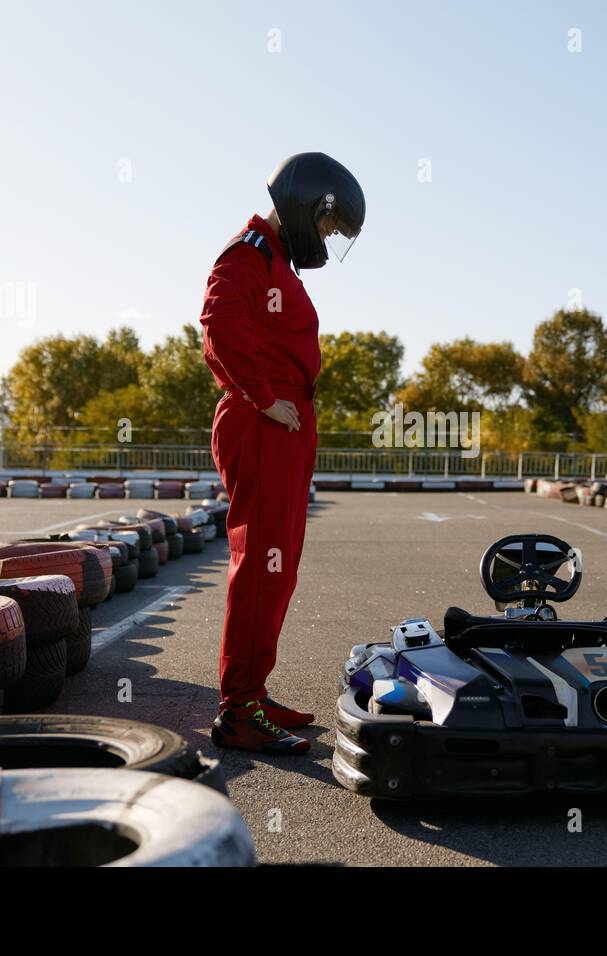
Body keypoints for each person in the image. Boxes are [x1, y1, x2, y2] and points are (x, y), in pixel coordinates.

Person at [199, 152, 365, 754]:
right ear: (310, 204)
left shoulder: (278, 264)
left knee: (279, 567)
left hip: (287, 426)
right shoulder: (249, 254)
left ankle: (254, 691)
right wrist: (264, 397)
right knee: (260, 563)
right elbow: (218, 322)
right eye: (328, 225)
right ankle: (238, 709)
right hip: (263, 423)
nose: (326, 238)